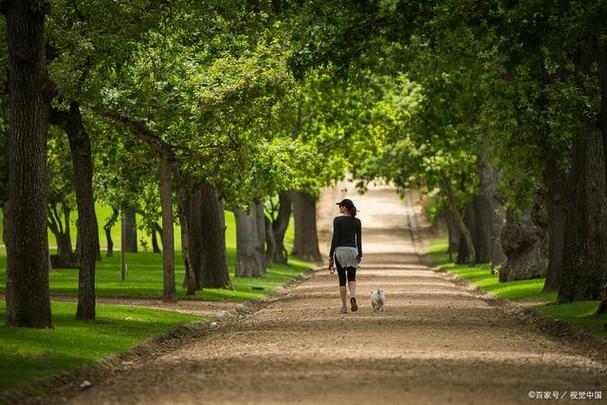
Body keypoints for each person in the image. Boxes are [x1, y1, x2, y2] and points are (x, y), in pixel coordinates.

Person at [329, 198, 362, 313]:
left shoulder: (337, 220)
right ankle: (352, 296)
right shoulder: (357, 222)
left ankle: (344, 306)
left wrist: (331, 255)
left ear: (344, 207)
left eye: (340, 206)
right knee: (352, 277)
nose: (339, 208)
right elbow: (359, 240)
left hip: (340, 251)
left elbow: (335, 238)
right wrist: (360, 254)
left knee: (342, 279)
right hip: (353, 251)